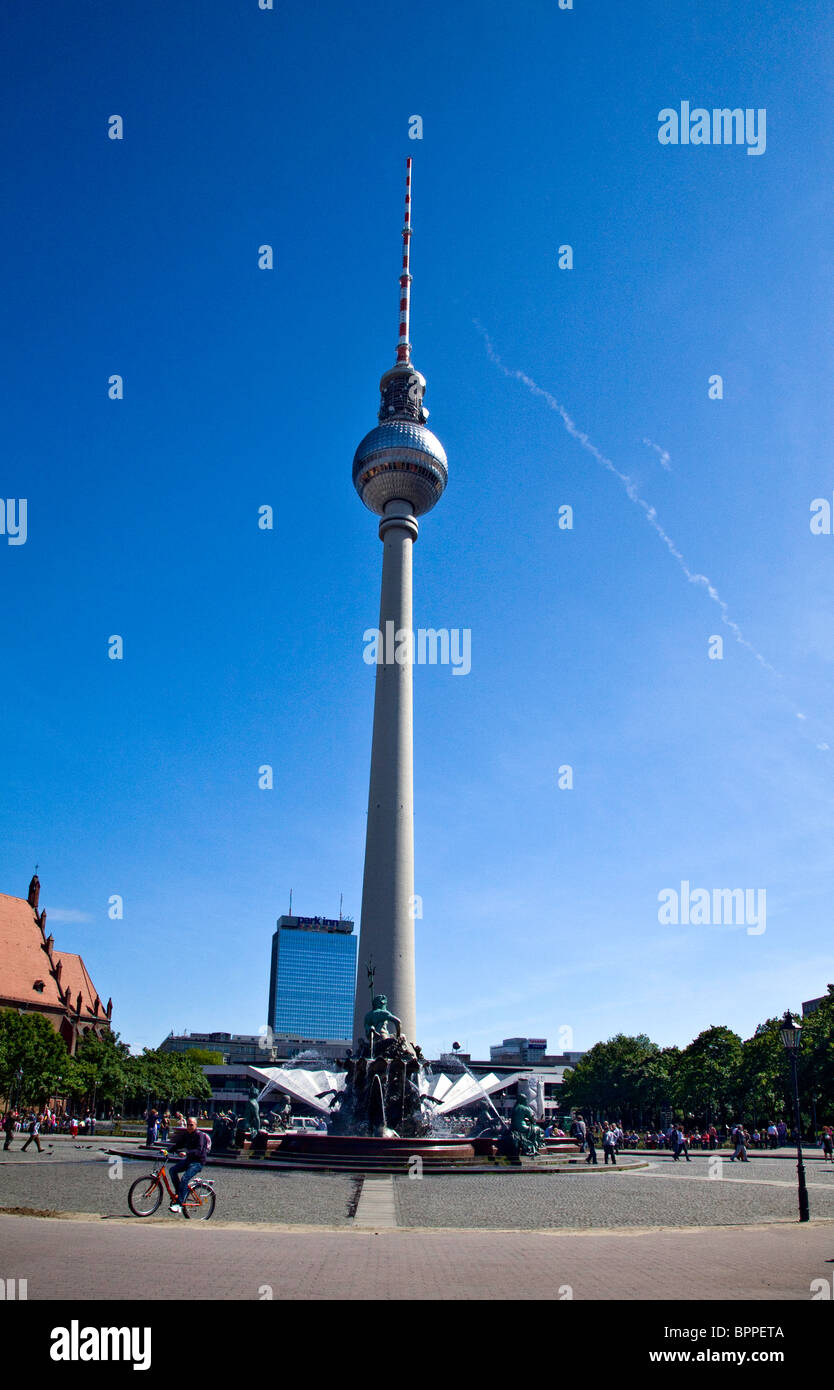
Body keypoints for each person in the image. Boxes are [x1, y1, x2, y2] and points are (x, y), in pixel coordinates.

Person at [169, 1117, 209, 1214]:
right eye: (188, 1125)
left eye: (192, 1125)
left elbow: (199, 1151)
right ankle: (180, 1192)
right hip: (189, 1160)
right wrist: (168, 1150)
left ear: (196, 1125)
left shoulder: (200, 1135)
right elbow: (178, 1144)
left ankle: (179, 1205)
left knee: (185, 1178)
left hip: (198, 1162)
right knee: (172, 1170)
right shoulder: (186, 1134)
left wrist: (187, 1153)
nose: (189, 1127)